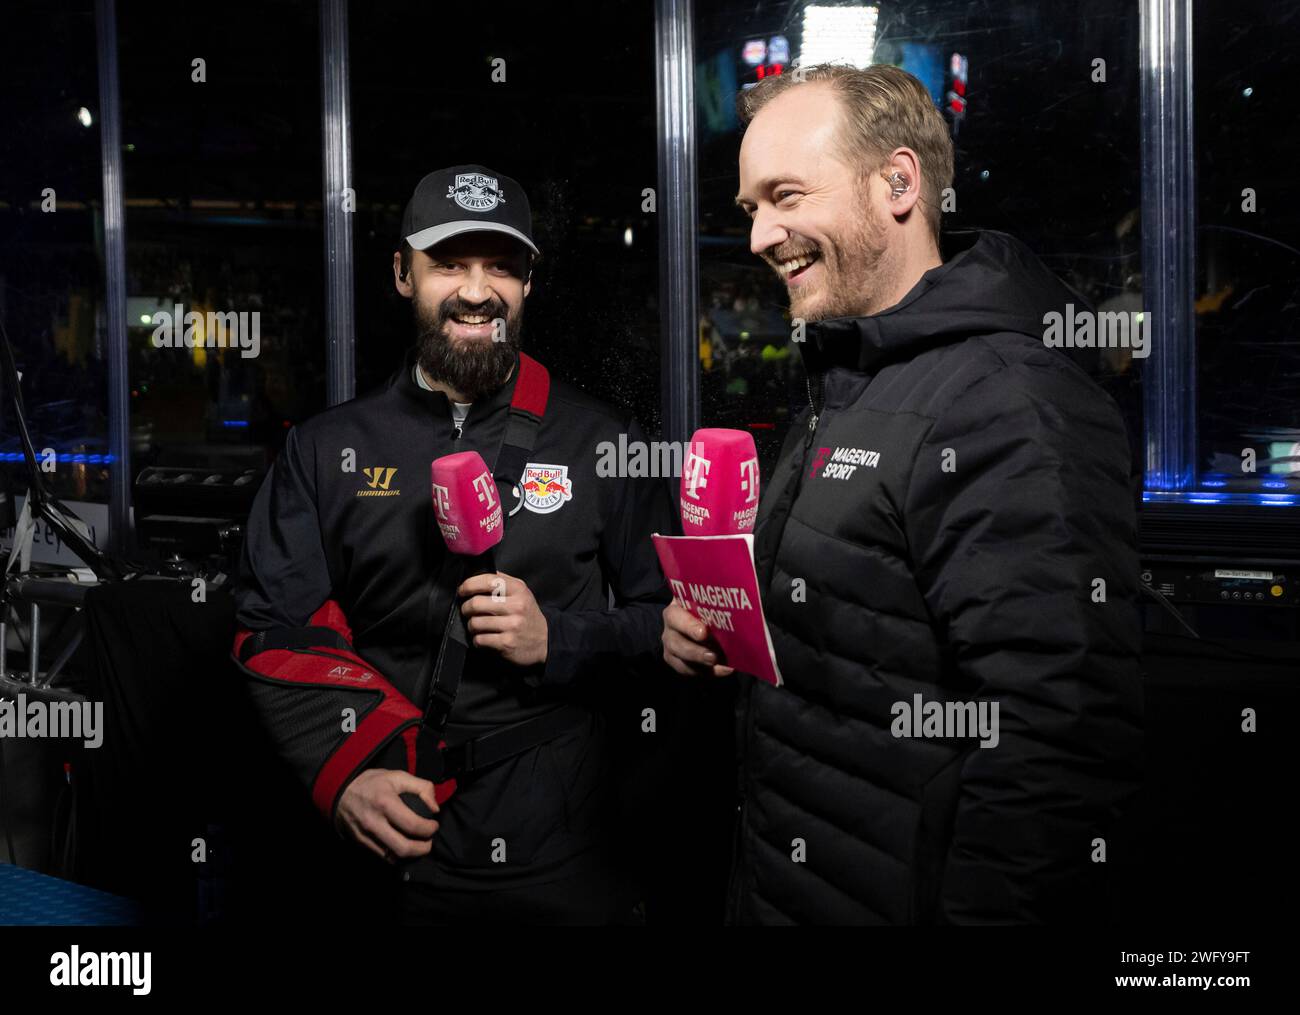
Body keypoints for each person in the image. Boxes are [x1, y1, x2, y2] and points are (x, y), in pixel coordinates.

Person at [662, 65, 1142, 924]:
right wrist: (724, 624)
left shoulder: (1006, 402)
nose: (761, 235)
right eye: (749, 209)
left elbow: (1053, 749)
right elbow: (863, 617)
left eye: (785, 196)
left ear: (898, 183)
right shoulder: (846, 381)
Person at [231, 164, 672, 924]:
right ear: (403, 274)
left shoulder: (606, 442)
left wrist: (557, 637)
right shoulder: (324, 448)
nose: (477, 290)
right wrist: (342, 775)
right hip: (393, 832)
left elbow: (670, 626)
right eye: (449, 263)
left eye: (501, 265)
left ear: (529, 281)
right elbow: (269, 625)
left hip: (560, 846)